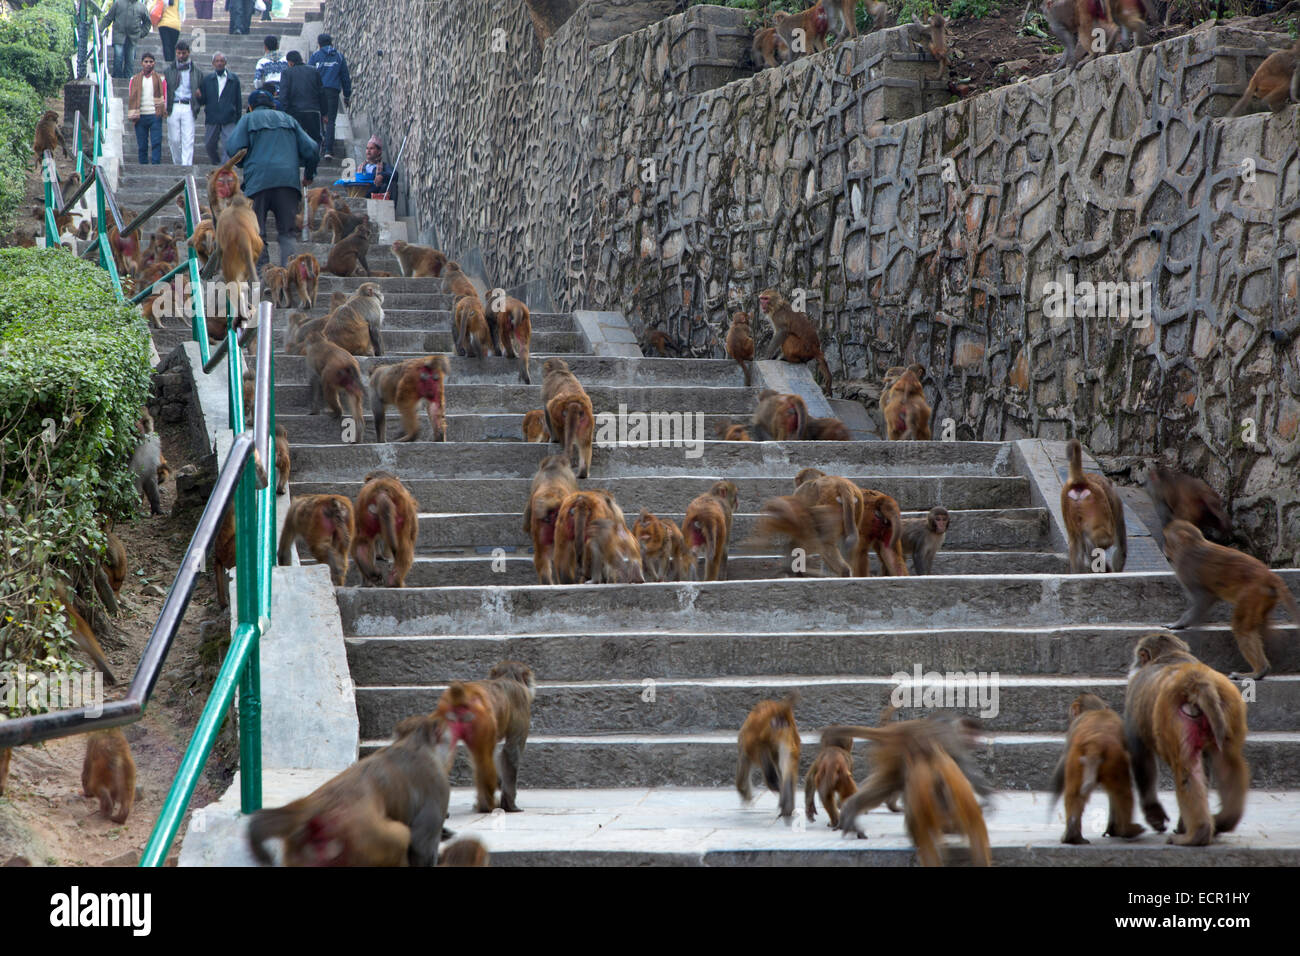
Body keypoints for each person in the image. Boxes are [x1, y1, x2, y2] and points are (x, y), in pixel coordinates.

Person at [224, 90, 318, 267]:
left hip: (257, 184)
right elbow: (312, 149)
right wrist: (309, 174)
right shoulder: (289, 120)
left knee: (256, 231)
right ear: (273, 105)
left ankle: (265, 275)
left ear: (250, 107)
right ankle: (287, 276)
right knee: (287, 233)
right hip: (288, 183)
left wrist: (244, 163)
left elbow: (233, 148)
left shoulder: (248, 119)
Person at [308, 33, 350, 160]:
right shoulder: (339, 56)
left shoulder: (315, 56)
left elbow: (309, 74)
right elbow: (345, 77)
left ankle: (318, 147)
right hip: (332, 92)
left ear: (319, 44)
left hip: (317, 92)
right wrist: (347, 95)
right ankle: (328, 150)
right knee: (331, 120)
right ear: (331, 43)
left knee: (319, 118)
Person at [196, 52, 242, 164]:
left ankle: (224, 167)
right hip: (212, 117)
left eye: (221, 61)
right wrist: (198, 97)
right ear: (213, 63)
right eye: (217, 61)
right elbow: (203, 101)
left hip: (229, 117)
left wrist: (238, 117)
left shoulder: (234, 79)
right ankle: (216, 163)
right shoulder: (207, 80)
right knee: (209, 144)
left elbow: (238, 100)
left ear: (225, 63)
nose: (219, 63)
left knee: (229, 144)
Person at [164, 39, 203, 165]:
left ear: (189, 53)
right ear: (176, 53)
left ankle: (186, 165)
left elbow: (202, 90)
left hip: (189, 105)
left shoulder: (197, 72)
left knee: (188, 138)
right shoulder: (169, 70)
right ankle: (178, 164)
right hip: (173, 105)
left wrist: (199, 97)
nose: (181, 56)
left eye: (184, 53)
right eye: (179, 53)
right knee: (174, 139)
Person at [277, 49, 323, 150]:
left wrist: (285, 112)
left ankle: (299, 160)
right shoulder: (314, 70)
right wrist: (324, 113)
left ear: (290, 62)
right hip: (313, 111)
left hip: (294, 112)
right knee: (315, 138)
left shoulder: (286, 73)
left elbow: (283, 94)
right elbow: (321, 93)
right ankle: (314, 159)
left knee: (296, 138)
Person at [128, 53, 167, 164]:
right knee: (142, 144)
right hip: (140, 115)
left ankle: (155, 165)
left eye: (151, 62)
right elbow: (131, 96)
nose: (148, 64)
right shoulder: (134, 79)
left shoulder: (161, 79)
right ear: (142, 63)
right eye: (146, 61)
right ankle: (143, 165)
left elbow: (164, 95)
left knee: (156, 142)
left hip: (155, 114)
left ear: (154, 63)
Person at [102, 0, 151, 79]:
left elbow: (147, 23)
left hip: (133, 37)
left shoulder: (141, 7)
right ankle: (117, 78)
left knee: (130, 60)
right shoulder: (118, 3)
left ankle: (127, 80)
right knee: (118, 57)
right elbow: (108, 18)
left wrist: (141, 33)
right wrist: (100, 29)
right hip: (119, 35)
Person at [358, 135, 397, 202]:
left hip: (377, 195)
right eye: (367, 148)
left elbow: (394, 174)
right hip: (363, 193)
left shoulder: (384, 166)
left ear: (379, 151)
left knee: (392, 184)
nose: (368, 151)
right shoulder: (361, 167)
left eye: (371, 148)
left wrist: (382, 175)